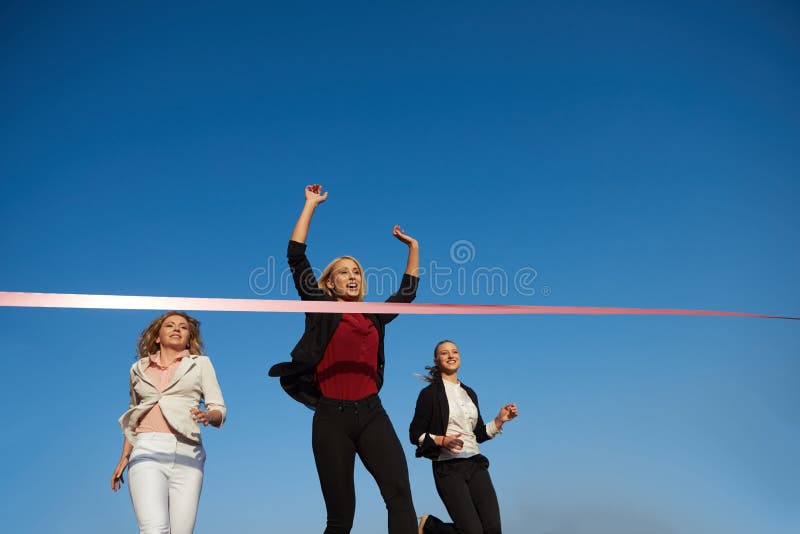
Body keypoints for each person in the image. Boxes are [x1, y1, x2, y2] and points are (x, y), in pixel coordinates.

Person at [268, 184, 420, 534]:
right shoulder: (320, 309)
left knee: (399, 497)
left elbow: (408, 293)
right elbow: (295, 256)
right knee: (341, 517)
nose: (352, 276)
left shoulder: (373, 316)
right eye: (344, 272)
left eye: (357, 272)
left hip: (371, 413)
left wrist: (413, 247)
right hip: (330, 418)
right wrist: (310, 205)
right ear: (331, 283)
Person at [111, 311, 226, 534]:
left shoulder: (200, 364)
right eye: (170, 325)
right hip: (147, 449)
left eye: (183, 327)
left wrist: (207, 416)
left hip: (188, 452)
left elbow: (219, 409)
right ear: (157, 337)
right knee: (154, 529)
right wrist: (124, 457)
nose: (177, 329)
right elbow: (134, 414)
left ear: (189, 338)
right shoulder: (138, 369)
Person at [409, 340, 518, 534]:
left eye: (455, 352)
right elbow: (415, 434)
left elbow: (477, 435)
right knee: (472, 531)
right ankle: (430, 526)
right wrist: (442, 440)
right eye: (444, 353)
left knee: (492, 528)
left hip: (475, 463)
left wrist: (499, 421)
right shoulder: (429, 394)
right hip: (448, 468)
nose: (451, 356)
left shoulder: (469, 393)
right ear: (437, 360)